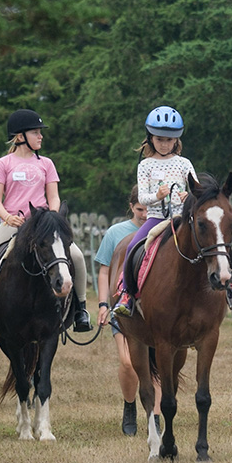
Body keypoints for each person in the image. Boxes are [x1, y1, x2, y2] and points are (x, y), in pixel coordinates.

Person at [113, 105, 232, 316]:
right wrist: (157, 196)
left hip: (183, 217)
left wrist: (189, 196)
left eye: (169, 140)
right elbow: (142, 197)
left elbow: (199, 192)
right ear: (150, 138)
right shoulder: (145, 166)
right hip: (156, 218)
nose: (164, 144)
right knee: (133, 246)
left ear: (176, 140)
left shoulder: (184, 163)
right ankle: (126, 293)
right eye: (159, 139)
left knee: (218, 242)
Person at [0, 108, 92, 337]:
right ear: (20, 136)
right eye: (35, 132)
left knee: (76, 257)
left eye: (40, 132)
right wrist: (7, 217)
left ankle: (81, 310)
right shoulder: (3, 163)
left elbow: (54, 197)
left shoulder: (46, 163)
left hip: (42, 227)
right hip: (12, 225)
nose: (40, 136)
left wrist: (51, 219)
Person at [95, 185, 161, 436]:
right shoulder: (116, 233)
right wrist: (103, 304)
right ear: (131, 207)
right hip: (123, 308)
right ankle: (130, 405)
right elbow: (104, 271)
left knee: (157, 365)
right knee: (127, 362)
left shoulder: (163, 231)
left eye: (148, 210)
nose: (144, 215)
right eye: (140, 210)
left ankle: (155, 417)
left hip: (153, 309)